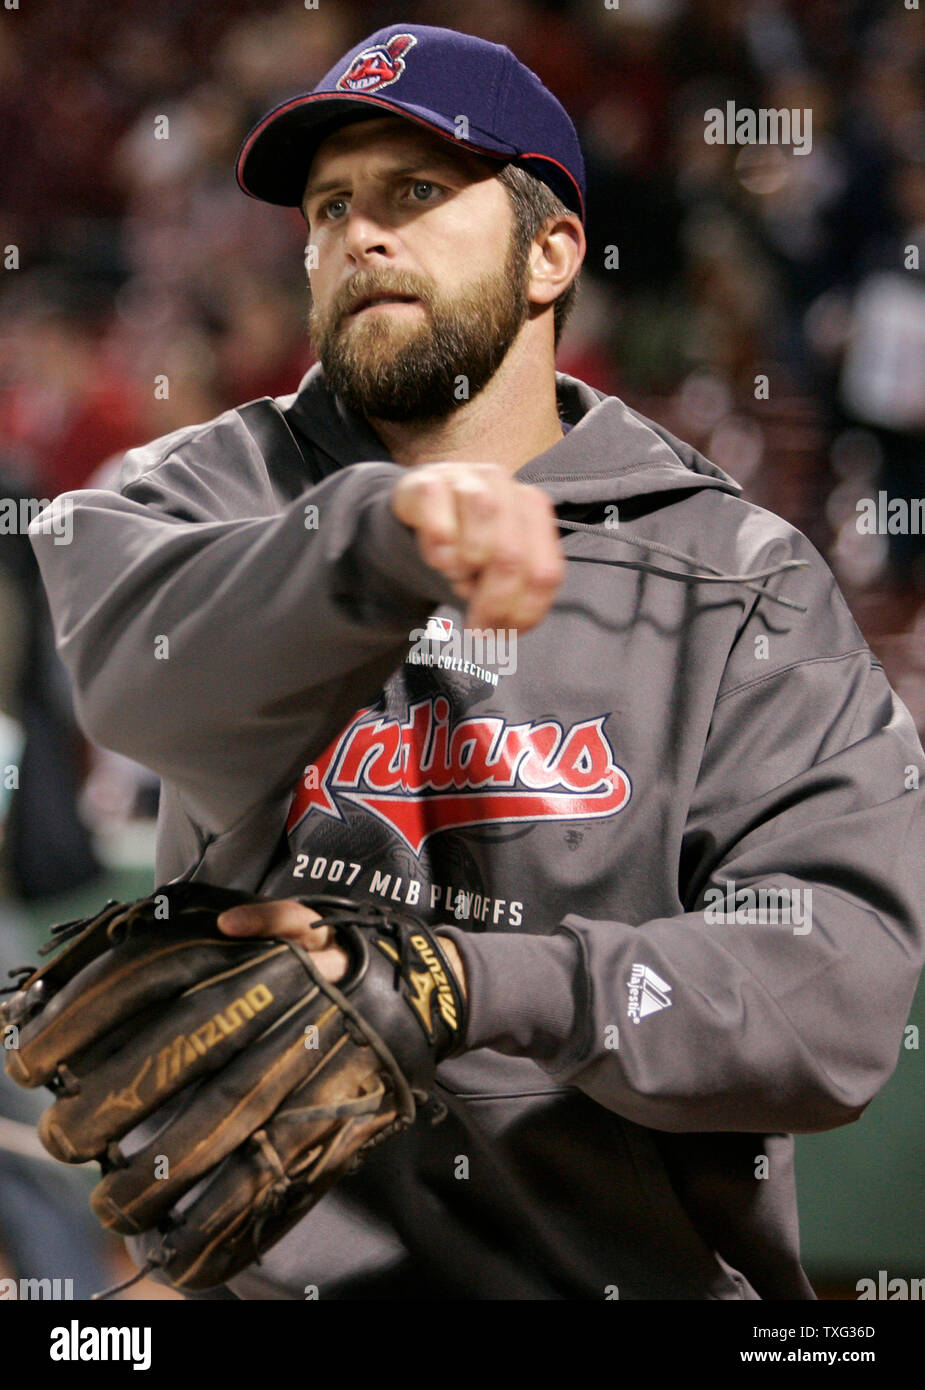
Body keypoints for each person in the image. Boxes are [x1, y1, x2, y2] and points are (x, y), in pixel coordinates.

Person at [29, 23, 924, 1300]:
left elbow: (834, 993)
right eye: (329, 206)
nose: (359, 236)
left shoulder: (737, 572)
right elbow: (135, 676)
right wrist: (384, 536)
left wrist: (466, 987)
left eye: (414, 194)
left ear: (552, 250)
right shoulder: (212, 487)